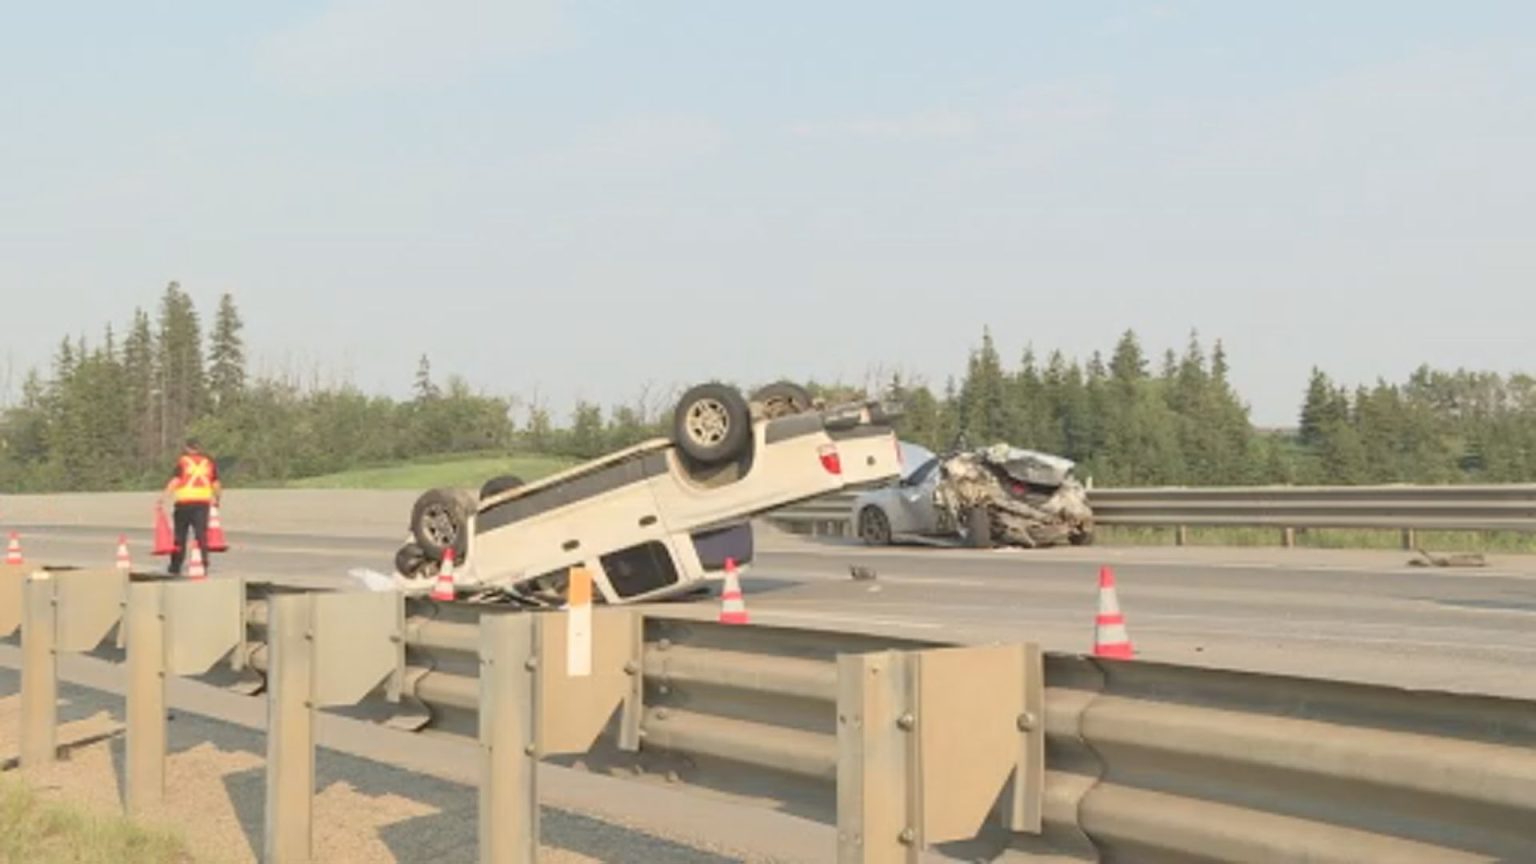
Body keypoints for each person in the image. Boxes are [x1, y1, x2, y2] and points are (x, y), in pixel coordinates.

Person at [161, 438, 221, 575]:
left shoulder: (183, 462)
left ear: (187, 448)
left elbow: (175, 481)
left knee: (180, 536)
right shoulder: (208, 463)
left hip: (183, 504)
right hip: (202, 504)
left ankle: (175, 566)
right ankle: (203, 564)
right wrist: (217, 499)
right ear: (199, 448)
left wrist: (163, 497)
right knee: (201, 535)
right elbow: (216, 484)